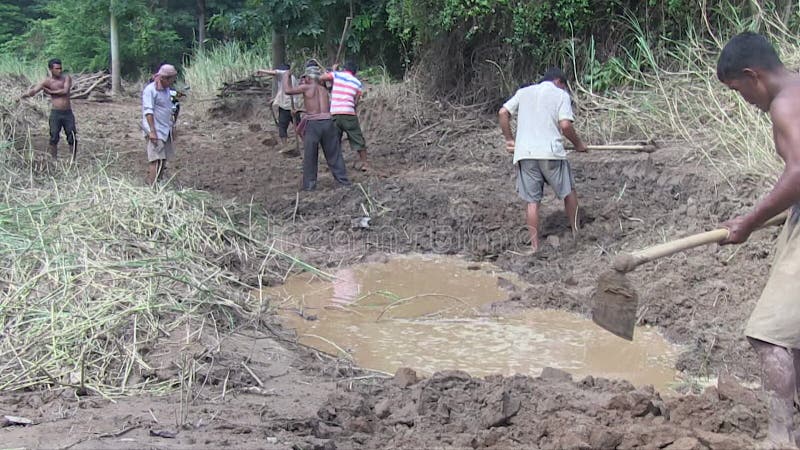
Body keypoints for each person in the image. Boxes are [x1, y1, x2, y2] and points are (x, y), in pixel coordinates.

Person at [717, 32, 800, 448]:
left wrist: (749, 221)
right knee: (795, 335)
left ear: (754, 76)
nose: (744, 100)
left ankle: (781, 438)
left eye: (738, 90)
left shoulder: (785, 104)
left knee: (768, 333)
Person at [498, 67, 588, 254]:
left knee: (532, 202)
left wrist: (509, 139)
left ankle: (534, 247)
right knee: (568, 192)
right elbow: (565, 125)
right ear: (559, 82)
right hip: (550, 152)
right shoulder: (560, 95)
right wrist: (578, 144)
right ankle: (576, 233)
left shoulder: (524, 92)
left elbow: (502, 113)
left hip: (526, 153)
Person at [279, 63, 350, 191]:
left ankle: (310, 185)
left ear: (308, 78)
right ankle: (343, 181)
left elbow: (287, 90)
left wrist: (285, 75)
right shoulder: (323, 89)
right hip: (328, 122)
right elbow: (318, 109)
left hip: (314, 125)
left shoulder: (307, 87)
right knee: (334, 154)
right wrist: (301, 111)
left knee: (310, 155)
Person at [20, 58, 77, 161]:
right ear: (51, 69)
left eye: (60, 68)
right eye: (57, 69)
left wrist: (49, 91)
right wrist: (23, 96)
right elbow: (34, 91)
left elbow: (65, 91)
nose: (59, 70)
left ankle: (73, 160)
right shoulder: (47, 81)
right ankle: (54, 159)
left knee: (71, 135)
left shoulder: (66, 78)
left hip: (67, 112)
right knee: (54, 136)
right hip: (56, 113)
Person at [320, 61, 369, 171]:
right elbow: (356, 102)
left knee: (334, 140)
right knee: (357, 138)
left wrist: (333, 71)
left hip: (335, 113)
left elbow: (321, 78)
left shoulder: (337, 75)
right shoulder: (357, 83)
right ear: (355, 72)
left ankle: (333, 164)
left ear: (344, 69)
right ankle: (365, 163)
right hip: (349, 113)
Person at [141, 64, 179, 186]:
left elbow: (169, 109)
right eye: (172, 79)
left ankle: (158, 184)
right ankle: (153, 188)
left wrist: (172, 126)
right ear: (164, 78)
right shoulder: (150, 90)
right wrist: (152, 131)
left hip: (165, 129)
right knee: (155, 160)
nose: (173, 81)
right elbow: (148, 112)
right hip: (155, 130)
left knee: (163, 159)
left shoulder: (167, 90)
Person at [256, 64, 303, 148]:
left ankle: (285, 146)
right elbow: (282, 91)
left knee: (282, 127)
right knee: (299, 126)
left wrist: (261, 70)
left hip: (286, 106)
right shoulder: (291, 78)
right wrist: (274, 100)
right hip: (293, 106)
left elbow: (275, 72)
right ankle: (305, 143)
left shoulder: (284, 74)